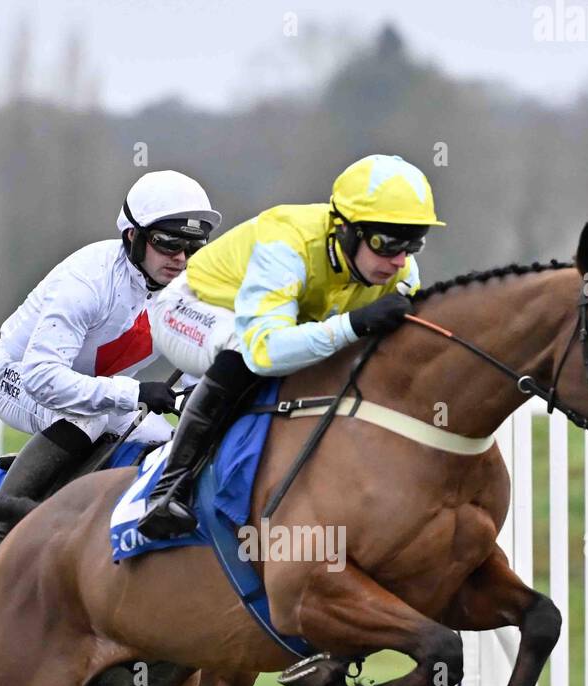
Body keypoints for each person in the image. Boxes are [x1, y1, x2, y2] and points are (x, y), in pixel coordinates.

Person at [137, 153, 442, 541]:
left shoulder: (399, 270)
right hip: (192, 307)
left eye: (412, 245)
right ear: (345, 229)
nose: (398, 260)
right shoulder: (288, 243)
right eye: (386, 243)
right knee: (244, 348)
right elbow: (265, 351)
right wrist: (353, 324)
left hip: (275, 320)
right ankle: (170, 488)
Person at [0, 170, 222, 572]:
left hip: (87, 387)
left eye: (193, 247)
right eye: (168, 243)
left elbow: (194, 365)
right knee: (90, 416)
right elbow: (43, 377)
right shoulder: (87, 281)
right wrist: (135, 394)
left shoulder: (184, 290)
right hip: (16, 375)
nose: (180, 259)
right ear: (132, 238)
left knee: (167, 440)